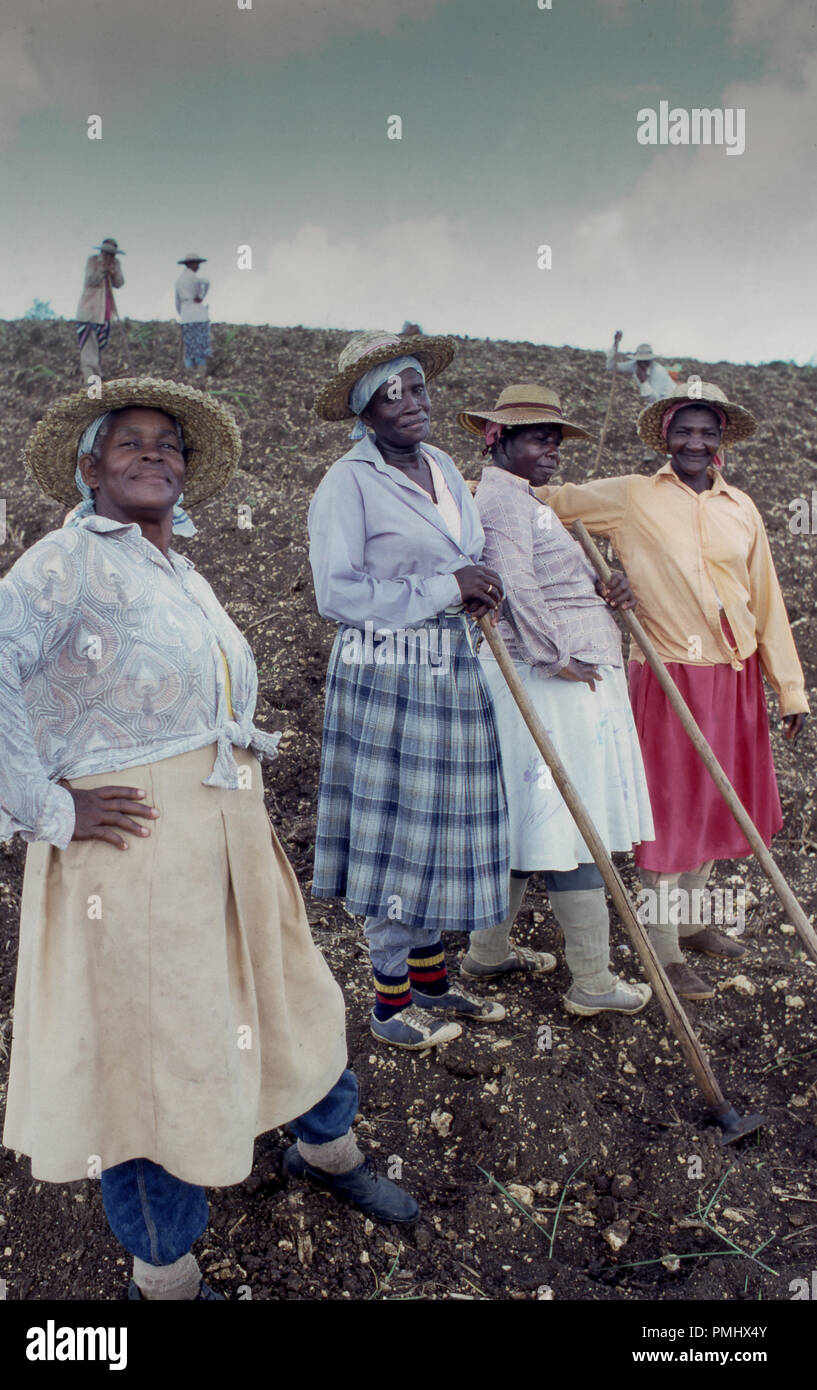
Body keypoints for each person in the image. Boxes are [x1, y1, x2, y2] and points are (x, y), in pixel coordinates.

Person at [0, 378, 416, 1302]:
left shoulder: (180, 568)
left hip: (227, 834)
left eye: (169, 444)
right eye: (129, 442)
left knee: (288, 995)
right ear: (88, 466)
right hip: (132, 855)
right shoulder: (67, 563)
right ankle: (163, 1276)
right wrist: (50, 809)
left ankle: (325, 1151)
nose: (154, 454)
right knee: (151, 1057)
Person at [538, 380, 809, 999]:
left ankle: (689, 925)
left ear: (720, 442)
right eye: (683, 431)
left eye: (706, 432)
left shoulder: (741, 507)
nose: (695, 441)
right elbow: (551, 503)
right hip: (667, 676)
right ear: (666, 438)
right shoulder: (632, 497)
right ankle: (661, 949)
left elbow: (766, 602)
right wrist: (483, 487)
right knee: (670, 812)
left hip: (733, 679)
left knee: (716, 803)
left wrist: (788, 689)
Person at [308, 330, 514, 1051]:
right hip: (384, 674)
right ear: (365, 413)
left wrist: (481, 585)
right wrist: (441, 587)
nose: (411, 402)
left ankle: (431, 982)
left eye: (417, 387)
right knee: (397, 834)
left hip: (449, 667)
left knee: (440, 825)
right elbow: (336, 593)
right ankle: (389, 1004)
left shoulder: (443, 467)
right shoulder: (348, 483)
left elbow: (472, 553)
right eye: (391, 394)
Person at [455, 385, 653, 1016]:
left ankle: (487, 953)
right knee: (572, 815)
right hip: (546, 682)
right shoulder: (505, 501)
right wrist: (557, 655)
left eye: (556, 439)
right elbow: (510, 583)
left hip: (555, 678)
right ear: (497, 438)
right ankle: (593, 982)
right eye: (540, 438)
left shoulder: (527, 501)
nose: (552, 451)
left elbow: (540, 575)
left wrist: (601, 587)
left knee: (530, 816)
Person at [75, 237, 125, 383]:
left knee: (97, 353)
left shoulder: (116, 264)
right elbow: (90, 280)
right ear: (102, 252)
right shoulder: (93, 261)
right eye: (107, 253)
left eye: (112, 254)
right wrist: (103, 270)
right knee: (90, 357)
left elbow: (120, 283)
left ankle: (96, 389)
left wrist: (113, 271)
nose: (109, 256)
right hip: (89, 313)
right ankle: (93, 393)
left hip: (106, 315)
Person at [605, 333, 675, 403]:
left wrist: (643, 381)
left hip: (671, 400)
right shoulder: (634, 365)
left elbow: (654, 399)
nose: (642, 364)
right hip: (658, 402)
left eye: (645, 361)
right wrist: (615, 344)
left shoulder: (658, 371)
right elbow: (611, 366)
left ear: (650, 360)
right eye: (640, 361)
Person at [175, 254, 212, 374]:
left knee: (190, 346)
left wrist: (182, 314)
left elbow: (177, 301)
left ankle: (190, 372)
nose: (199, 267)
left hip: (186, 314)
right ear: (192, 265)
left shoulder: (179, 280)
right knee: (200, 345)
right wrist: (201, 296)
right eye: (197, 264)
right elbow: (207, 282)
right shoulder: (195, 278)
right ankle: (200, 373)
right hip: (198, 314)